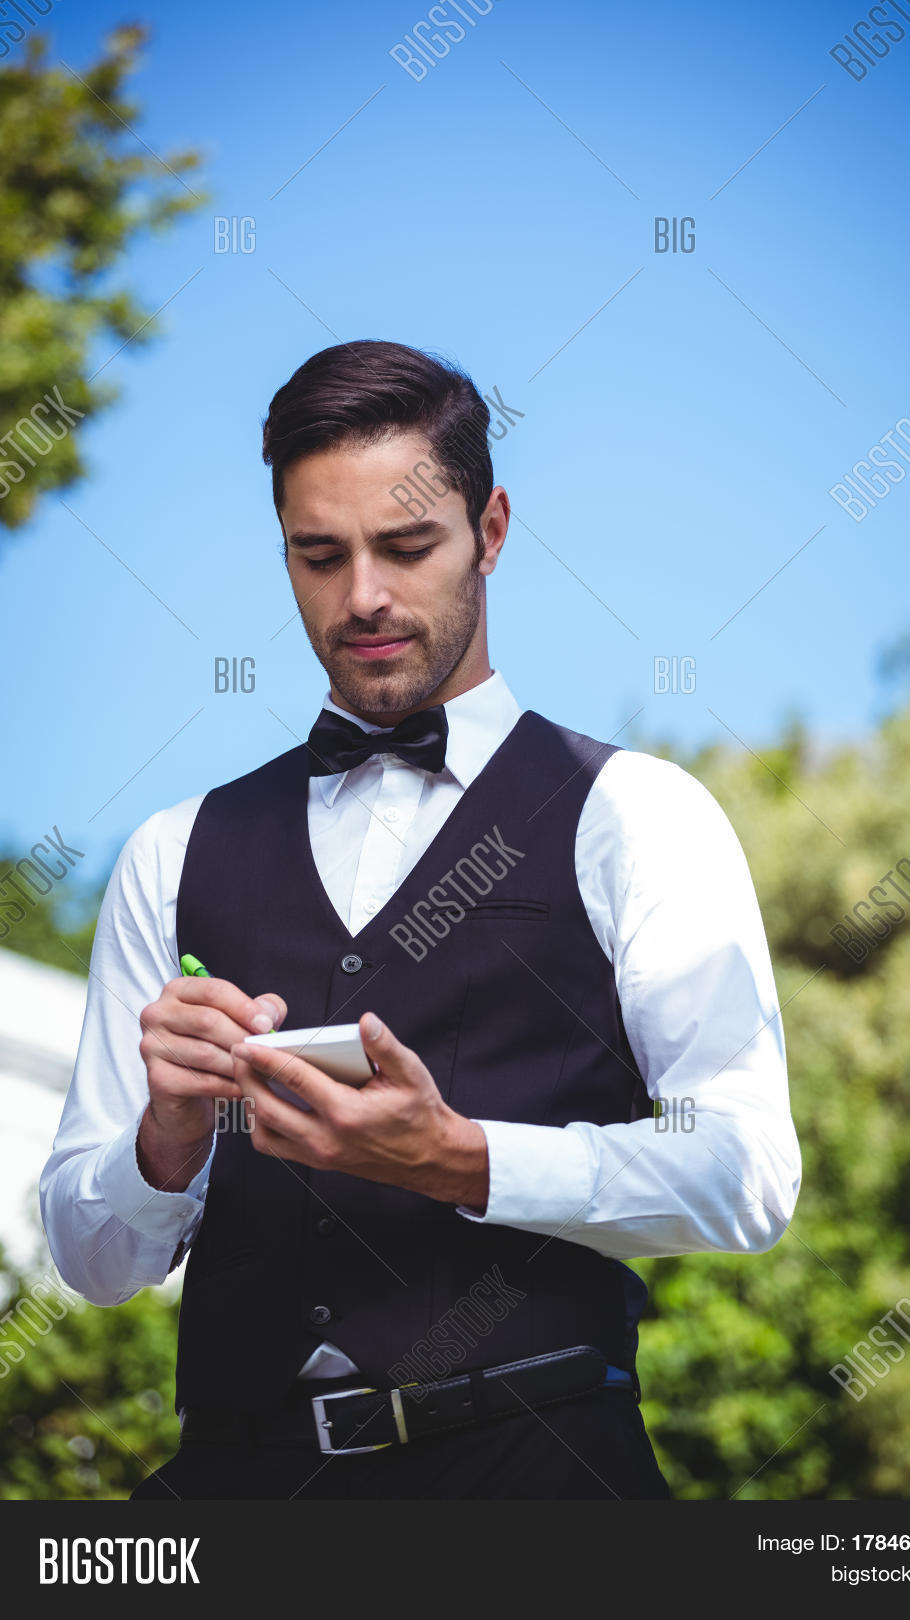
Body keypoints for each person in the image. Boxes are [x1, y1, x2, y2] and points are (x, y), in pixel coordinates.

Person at [40, 340, 801, 1500]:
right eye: (319, 555)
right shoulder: (171, 852)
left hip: (538, 1486)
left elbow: (746, 1174)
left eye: (406, 548)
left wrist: (461, 1160)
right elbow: (91, 1262)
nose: (363, 599)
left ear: (490, 530)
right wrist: (168, 1137)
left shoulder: (635, 813)